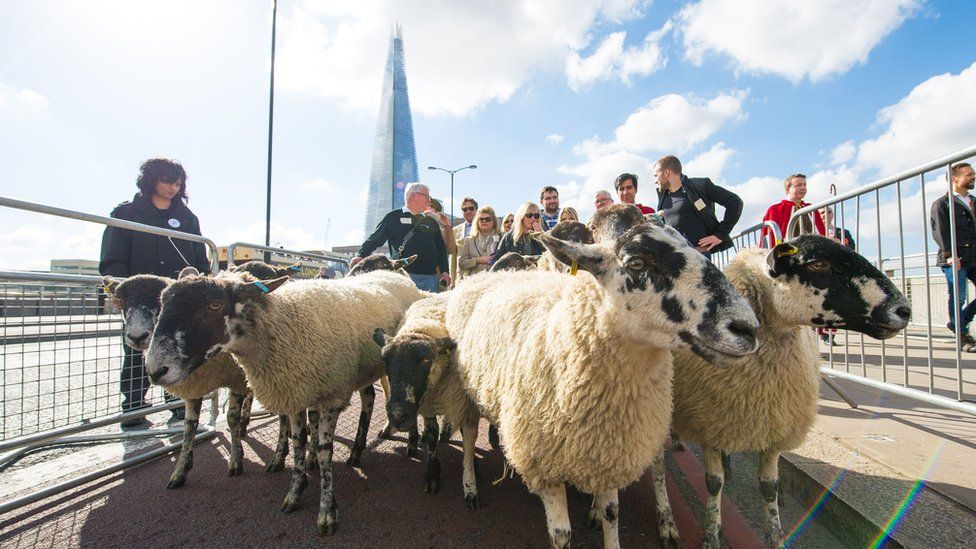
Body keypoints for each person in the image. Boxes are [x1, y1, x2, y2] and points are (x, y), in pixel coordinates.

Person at [99, 158, 211, 426]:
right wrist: (116, 290)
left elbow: (200, 258)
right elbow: (113, 258)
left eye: (177, 182)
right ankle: (134, 406)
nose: (173, 187)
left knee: (175, 348)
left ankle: (178, 403)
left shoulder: (187, 217)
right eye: (166, 181)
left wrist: (202, 285)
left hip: (176, 298)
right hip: (140, 297)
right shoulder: (126, 214)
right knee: (137, 348)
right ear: (151, 181)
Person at [354, 182, 450, 292]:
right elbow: (375, 238)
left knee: (431, 309)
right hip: (403, 277)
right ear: (415, 196)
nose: (429, 200)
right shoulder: (393, 217)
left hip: (430, 279)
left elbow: (441, 249)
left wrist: (445, 272)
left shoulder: (431, 221)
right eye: (427, 196)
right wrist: (361, 255)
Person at [654, 155, 742, 257]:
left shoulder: (699, 186)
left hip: (698, 256)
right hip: (674, 260)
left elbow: (735, 202)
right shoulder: (663, 197)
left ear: (667, 172)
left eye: (656, 175)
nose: (655, 180)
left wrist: (719, 235)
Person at [931, 162, 976, 351]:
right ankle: (962, 335)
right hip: (955, 257)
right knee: (958, 296)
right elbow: (939, 231)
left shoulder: (974, 201)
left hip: (974, 255)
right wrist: (950, 255)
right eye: (969, 174)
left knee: (960, 298)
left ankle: (960, 321)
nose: (973, 177)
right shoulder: (942, 203)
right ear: (955, 178)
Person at [761, 173, 826, 246]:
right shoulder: (775, 209)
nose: (803, 188)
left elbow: (822, 232)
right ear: (788, 189)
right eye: (798, 185)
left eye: (805, 185)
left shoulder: (810, 208)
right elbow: (769, 238)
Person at [458, 206, 502, 279]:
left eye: (487, 219)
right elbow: (462, 264)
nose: (484, 221)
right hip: (475, 281)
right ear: (477, 222)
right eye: (481, 219)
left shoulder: (501, 238)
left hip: (495, 280)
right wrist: (478, 260)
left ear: (494, 221)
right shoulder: (469, 240)